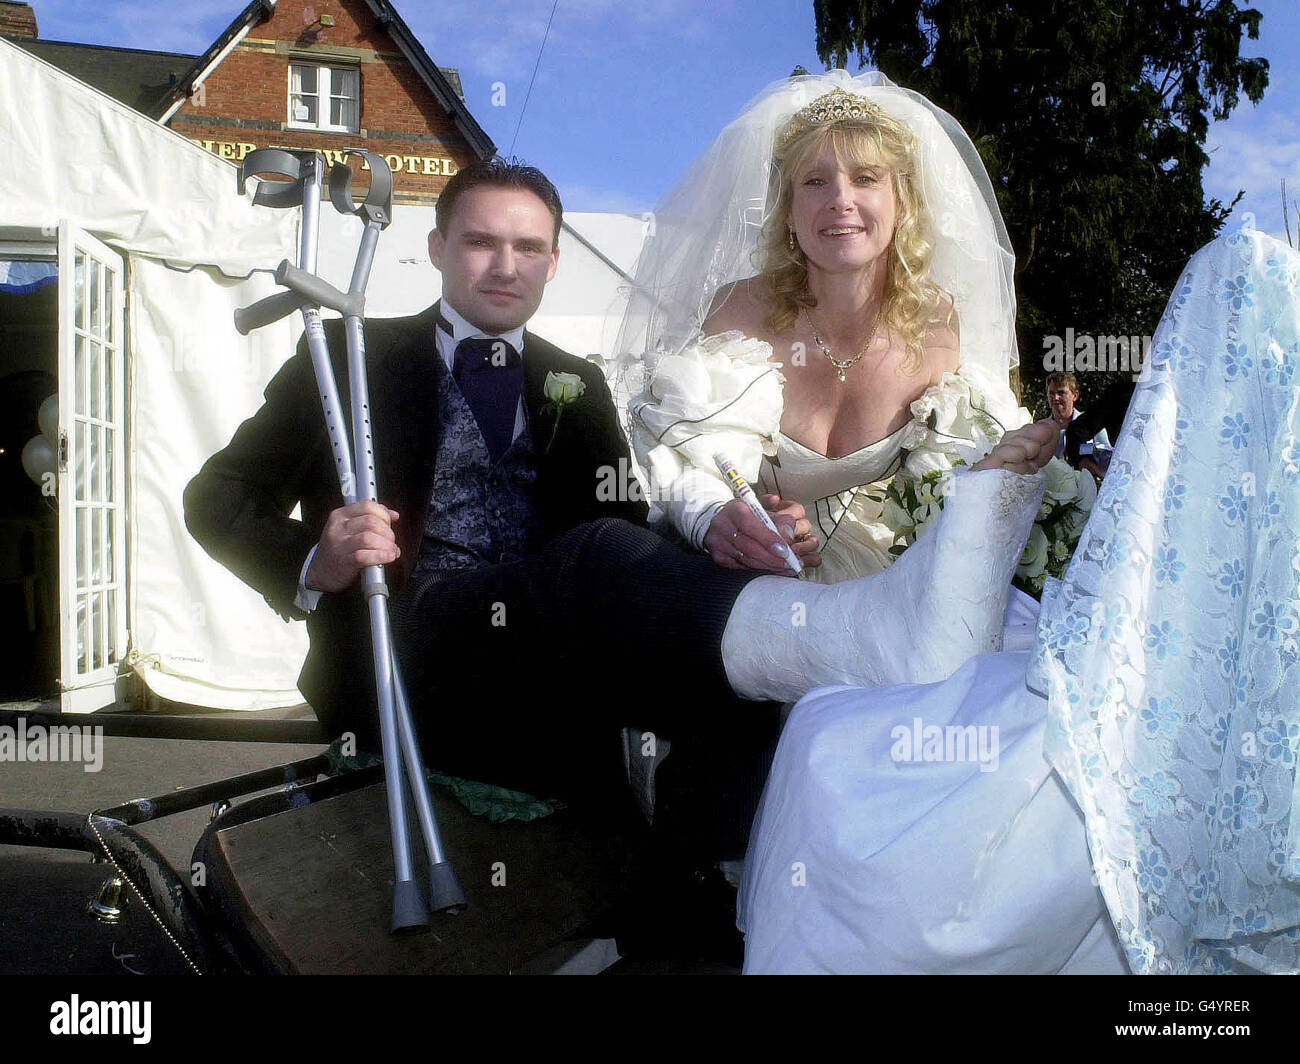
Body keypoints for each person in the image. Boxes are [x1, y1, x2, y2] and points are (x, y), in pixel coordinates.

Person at [183, 154, 1055, 878]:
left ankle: (691, 897)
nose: (505, 265)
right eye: (481, 242)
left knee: (732, 684)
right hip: (407, 645)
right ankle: (854, 634)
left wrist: (729, 531)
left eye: (529, 247)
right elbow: (216, 497)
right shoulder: (347, 355)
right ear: (438, 246)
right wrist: (316, 559)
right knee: (598, 558)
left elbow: (631, 522)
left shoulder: (576, 378)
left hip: (548, 660)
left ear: (554, 262)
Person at [623, 72, 1027, 584]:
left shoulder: (940, 327)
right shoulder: (736, 312)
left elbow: (944, 487)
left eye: (865, 178)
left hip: (885, 586)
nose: (840, 199)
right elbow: (682, 454)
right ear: (787, 212)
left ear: (901, 205)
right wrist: (718, 518)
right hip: (741, 582)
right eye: (815, 181)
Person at [1047, 370, 1112, 481]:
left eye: (1061, 393)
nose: (1056, 398)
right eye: (1051, 393)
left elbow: (1107, 454)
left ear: (1075, 395)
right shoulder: (1041, 428)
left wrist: (1079, 449)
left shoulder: (1091, 424)